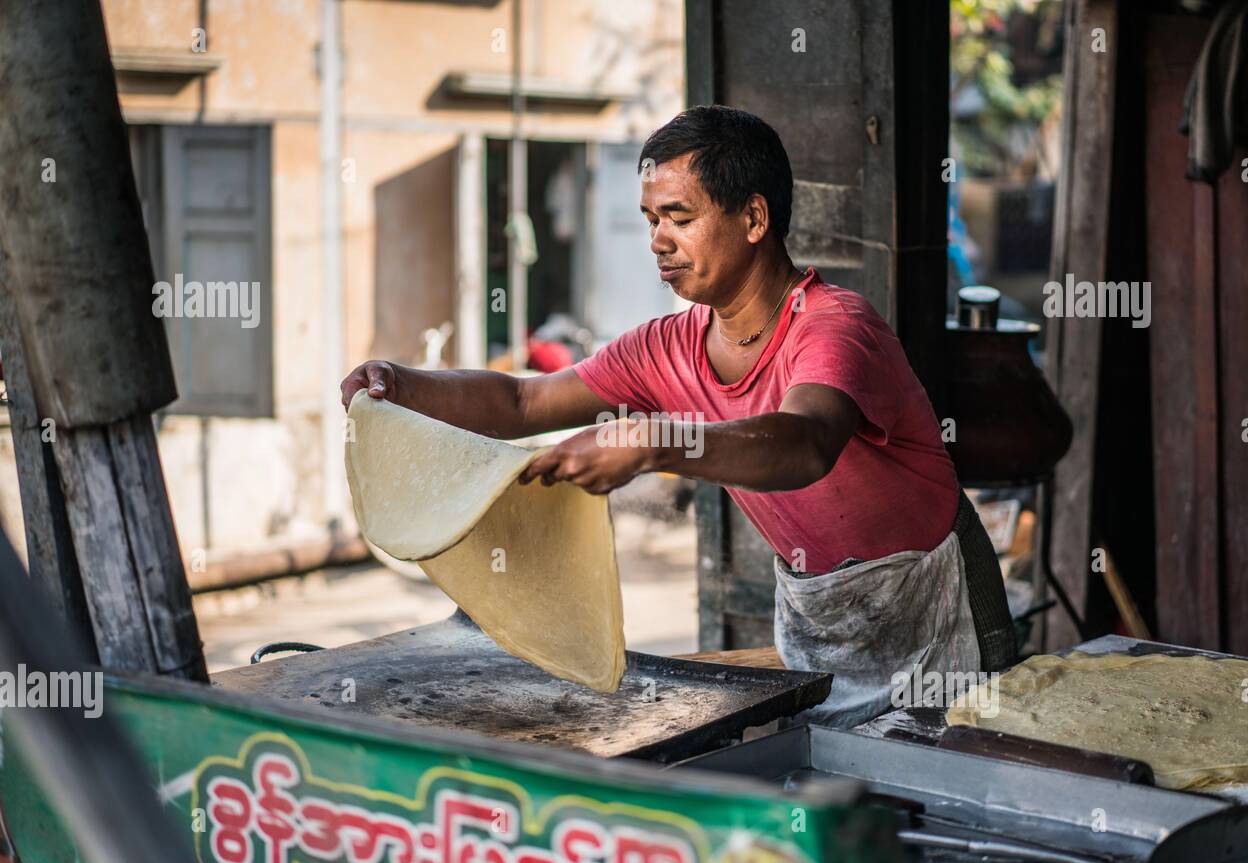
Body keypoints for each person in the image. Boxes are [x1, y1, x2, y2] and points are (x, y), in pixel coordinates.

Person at [340, 105, 1015, 727]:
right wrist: (403, 383)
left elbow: (803, 444)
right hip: (822, 612)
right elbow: (523, 402)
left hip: (934, 600)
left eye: (680, 218)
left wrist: (655, 441)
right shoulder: (666, 348)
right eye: (650, 220)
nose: (659, 241)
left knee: (962, 791)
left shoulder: (833, 326)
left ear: (753, 219)